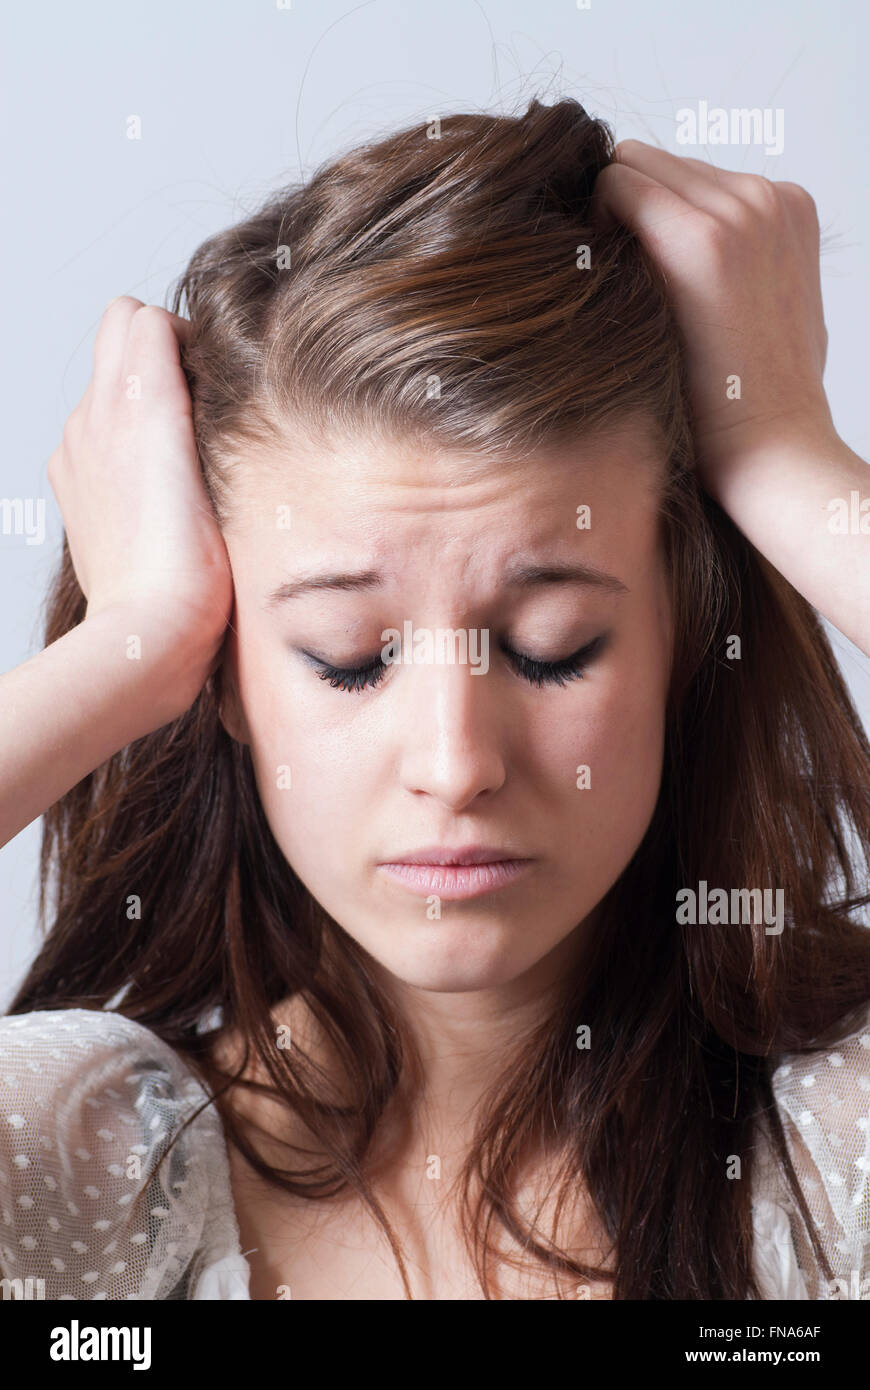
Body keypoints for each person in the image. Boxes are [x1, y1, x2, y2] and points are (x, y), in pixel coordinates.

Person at [1, 97, 869, 1301]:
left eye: (555, 646)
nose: (456, 764)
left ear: (683, 636)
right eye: (348, 657)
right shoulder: (71, 1161)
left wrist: (786, 460)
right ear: (223, 677)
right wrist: (128, 641)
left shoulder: (838, 1155)